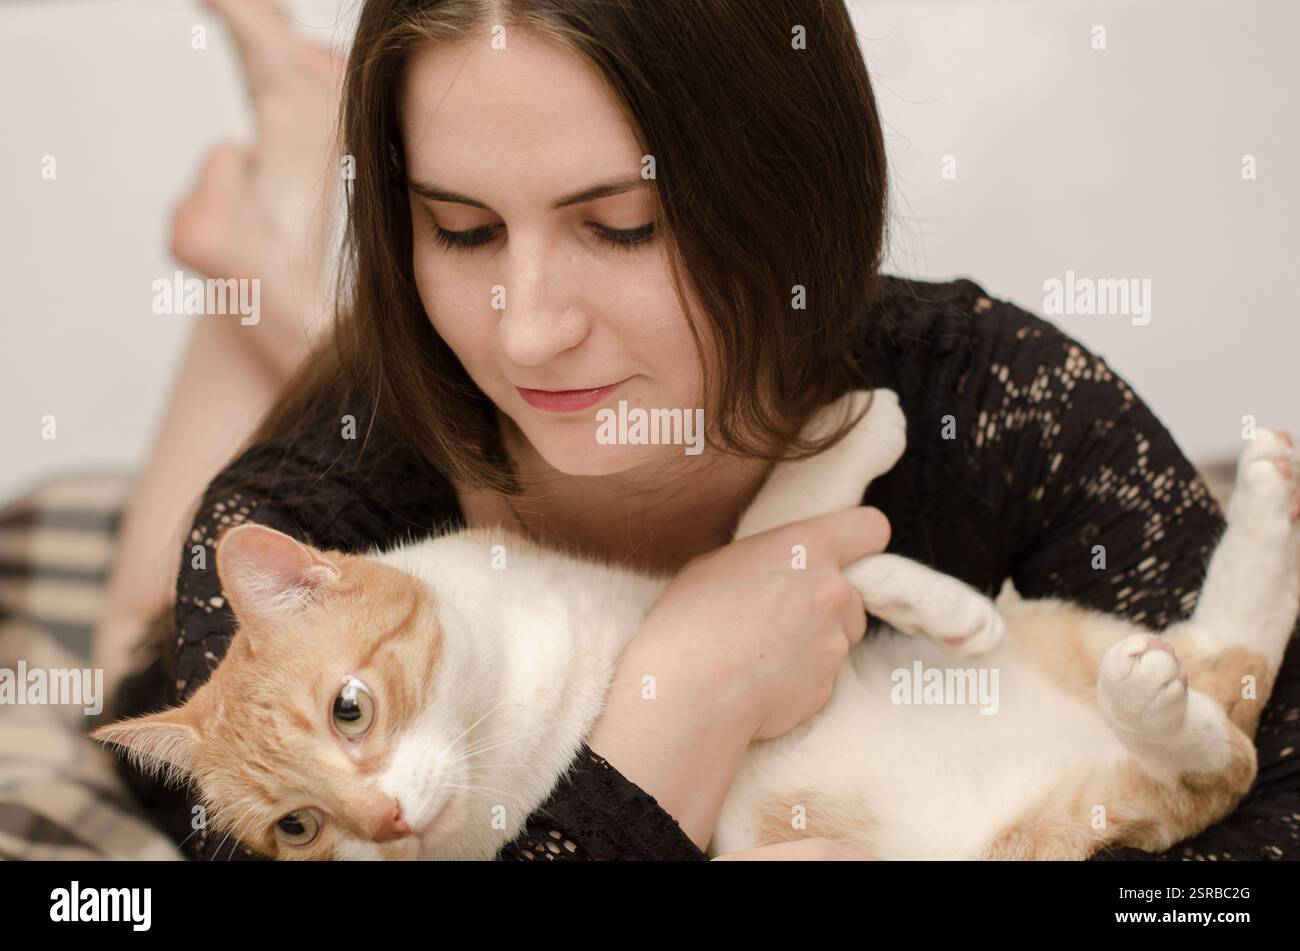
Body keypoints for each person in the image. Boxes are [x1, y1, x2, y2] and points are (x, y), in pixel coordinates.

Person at [101, 0, 1300, 862]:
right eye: (459, 229)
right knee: (122, 636)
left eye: (619, 224)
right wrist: (674, 713)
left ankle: (269, 240)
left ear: (783, 197)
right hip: (248, 565)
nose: (526, 337)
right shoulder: (304, 512)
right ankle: (268, 243)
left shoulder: (988, 396)